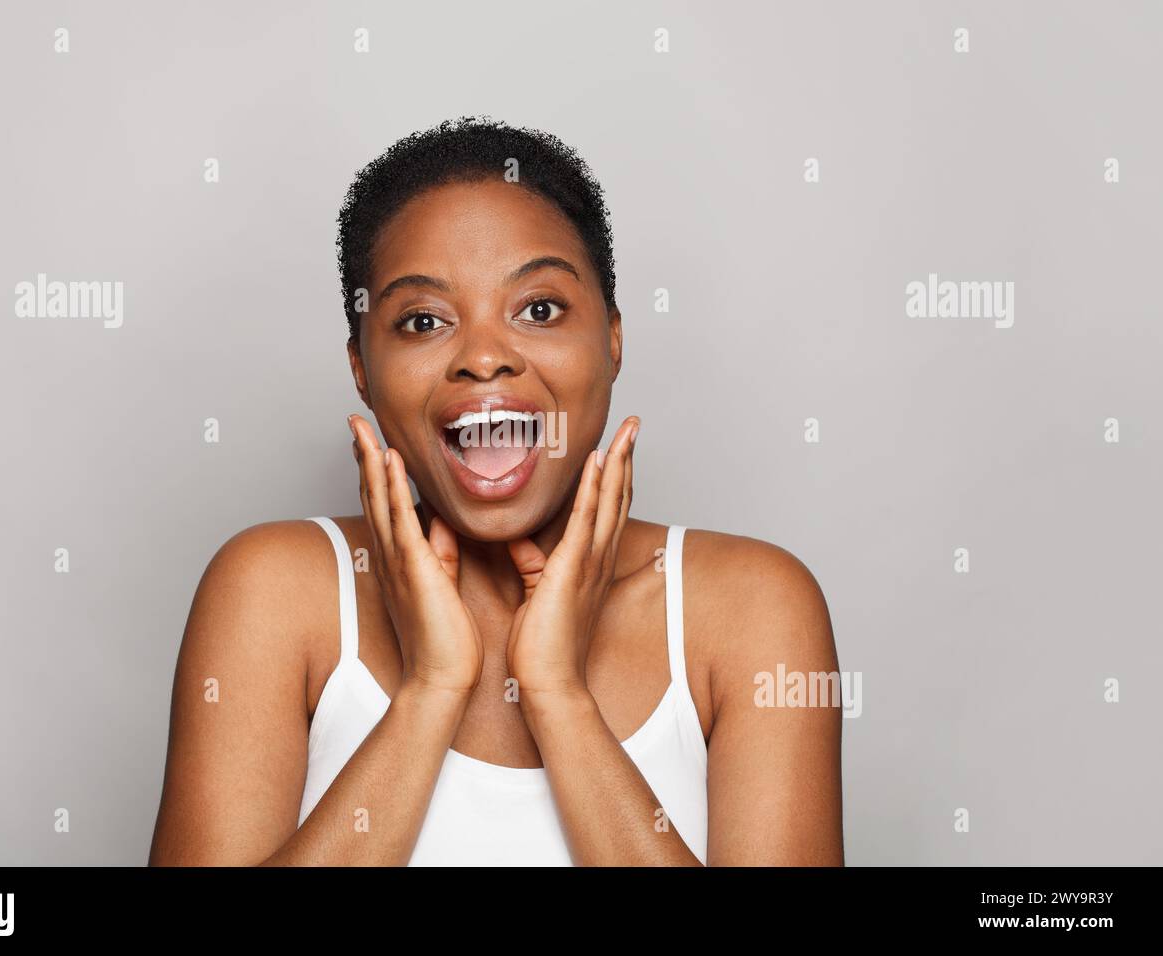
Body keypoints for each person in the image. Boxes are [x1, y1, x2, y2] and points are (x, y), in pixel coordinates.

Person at [148, 116, 843, 866]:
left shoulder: (752, 609)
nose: (483, 357)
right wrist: (431, 690)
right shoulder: (272, 591)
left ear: (612, 338)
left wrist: (557, 695)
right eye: (423, 321)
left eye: (538, 309)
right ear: (362, 366)